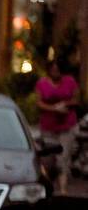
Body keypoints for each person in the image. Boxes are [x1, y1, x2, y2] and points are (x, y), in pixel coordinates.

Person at [35, 59, 80, 194]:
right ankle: (47, 189)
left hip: (67, 126)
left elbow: (77, 99)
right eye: (53, 70)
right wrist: (54, 108)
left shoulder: (70, 81)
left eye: (58, 70)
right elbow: (39, 102)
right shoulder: (42, 84)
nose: (56, 72)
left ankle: (63, 190)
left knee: (63, 158)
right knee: (49, 159)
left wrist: (65, 105)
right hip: (48, 127)